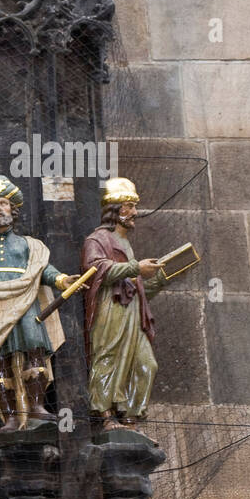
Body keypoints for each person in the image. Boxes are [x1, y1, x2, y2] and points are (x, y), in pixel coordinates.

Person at [0, 175, 74, 433]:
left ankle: (36, 407)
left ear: (13, 210)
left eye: (4, 203)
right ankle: (10, 416)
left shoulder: (27, 245)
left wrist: (62, 280)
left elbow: (42, 270)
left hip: (25, 304)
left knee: (35, 351)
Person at [81, 177, 169, 431]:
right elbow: (96, 268)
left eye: (133, 206)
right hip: (110, 308)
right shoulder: (97, 240)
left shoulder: (125, 243)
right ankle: (106, 415)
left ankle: (130, 417)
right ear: (114, 208)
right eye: (128, 206)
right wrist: (135, 267)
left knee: (146, 363)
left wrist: (161, 277)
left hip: (131, 310)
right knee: (107, 357)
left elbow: (136, 287)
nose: (134, 213)